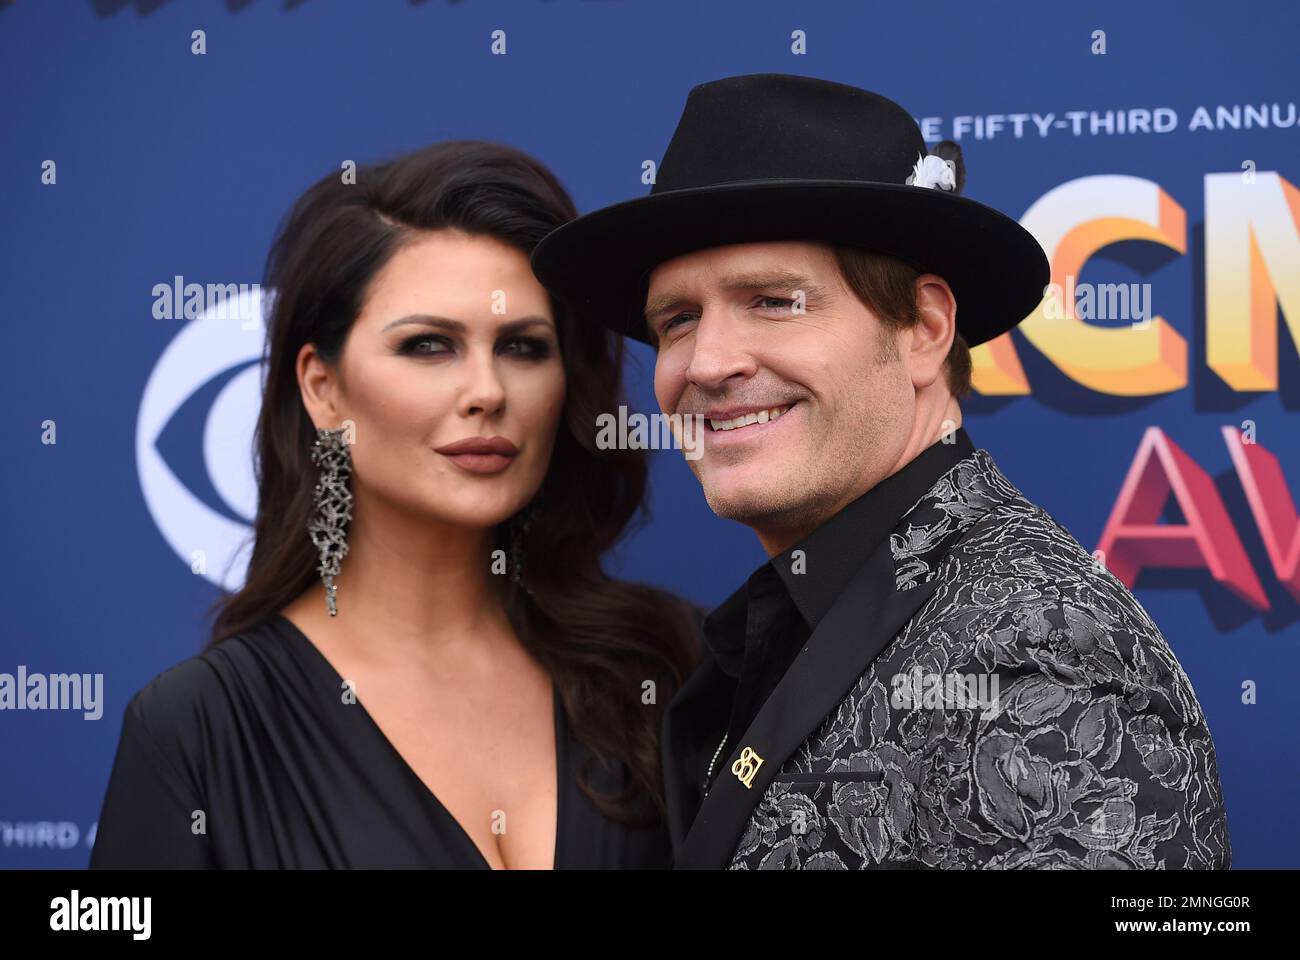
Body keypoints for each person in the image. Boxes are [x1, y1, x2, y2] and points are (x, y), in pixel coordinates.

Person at [530, 73, 1231, 869]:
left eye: (772, 301)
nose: (710, 363)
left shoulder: (1040, 648)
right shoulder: (793, 620)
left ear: (925, 330)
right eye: (678, 320)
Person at [90, 140, 700, 869]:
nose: (488, 391)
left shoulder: (669, 665)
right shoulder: (200, 729)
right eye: (429, 346)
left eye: (524, 347)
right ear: (324, 388)